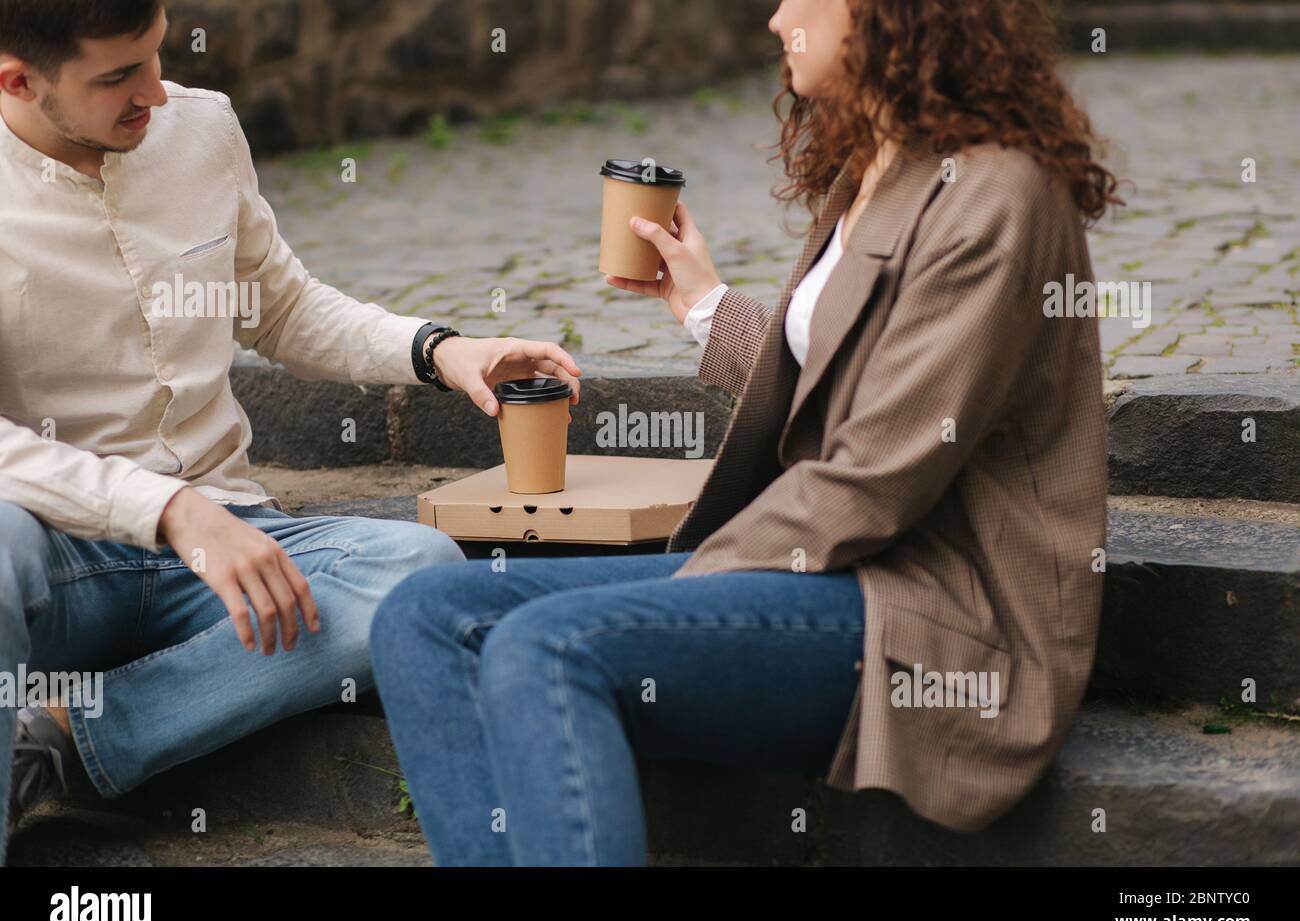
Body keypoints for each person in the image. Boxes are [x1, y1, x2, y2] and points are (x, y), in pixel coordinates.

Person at [373, 0, 1118, 866]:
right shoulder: (878, 166)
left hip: (931, 615)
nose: (773, 20)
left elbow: (874, 475)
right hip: (826, 566)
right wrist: (705, 307)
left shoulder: (996, 194)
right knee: (423, 616)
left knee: (549, 645)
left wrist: (689, 579)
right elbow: (851, 376)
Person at [0, 0, 581, 863]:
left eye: (156, 56)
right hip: (61, 558)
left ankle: (70, 741)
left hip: (234, 535)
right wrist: (168, 510)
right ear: (16, 80)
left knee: (418, 576)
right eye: (118, 77)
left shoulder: (200, 130)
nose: (155, 94)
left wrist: (438, 349)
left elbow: (282, 306)